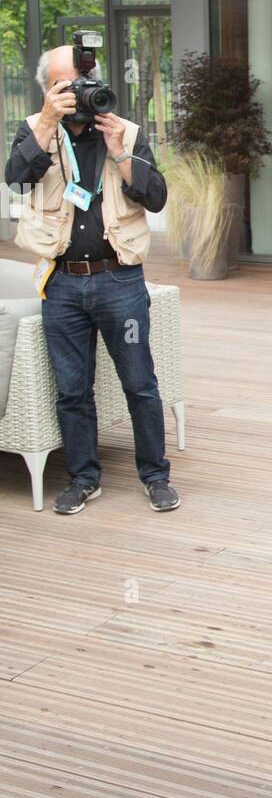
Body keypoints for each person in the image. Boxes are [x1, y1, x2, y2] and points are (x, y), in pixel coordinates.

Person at [4, 45, 179, 515]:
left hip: (119, 280)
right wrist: (44, 123)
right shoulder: (36, 130)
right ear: (49, 89)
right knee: (72, 388)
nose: (81, 93)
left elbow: (156, 198)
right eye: (67, 85)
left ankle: (154, 475)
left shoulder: (124, 131)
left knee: (140, 383)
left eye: (85, 82)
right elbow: (16, 181)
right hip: (61, 283)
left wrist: (121, 153)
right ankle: (83, 477)